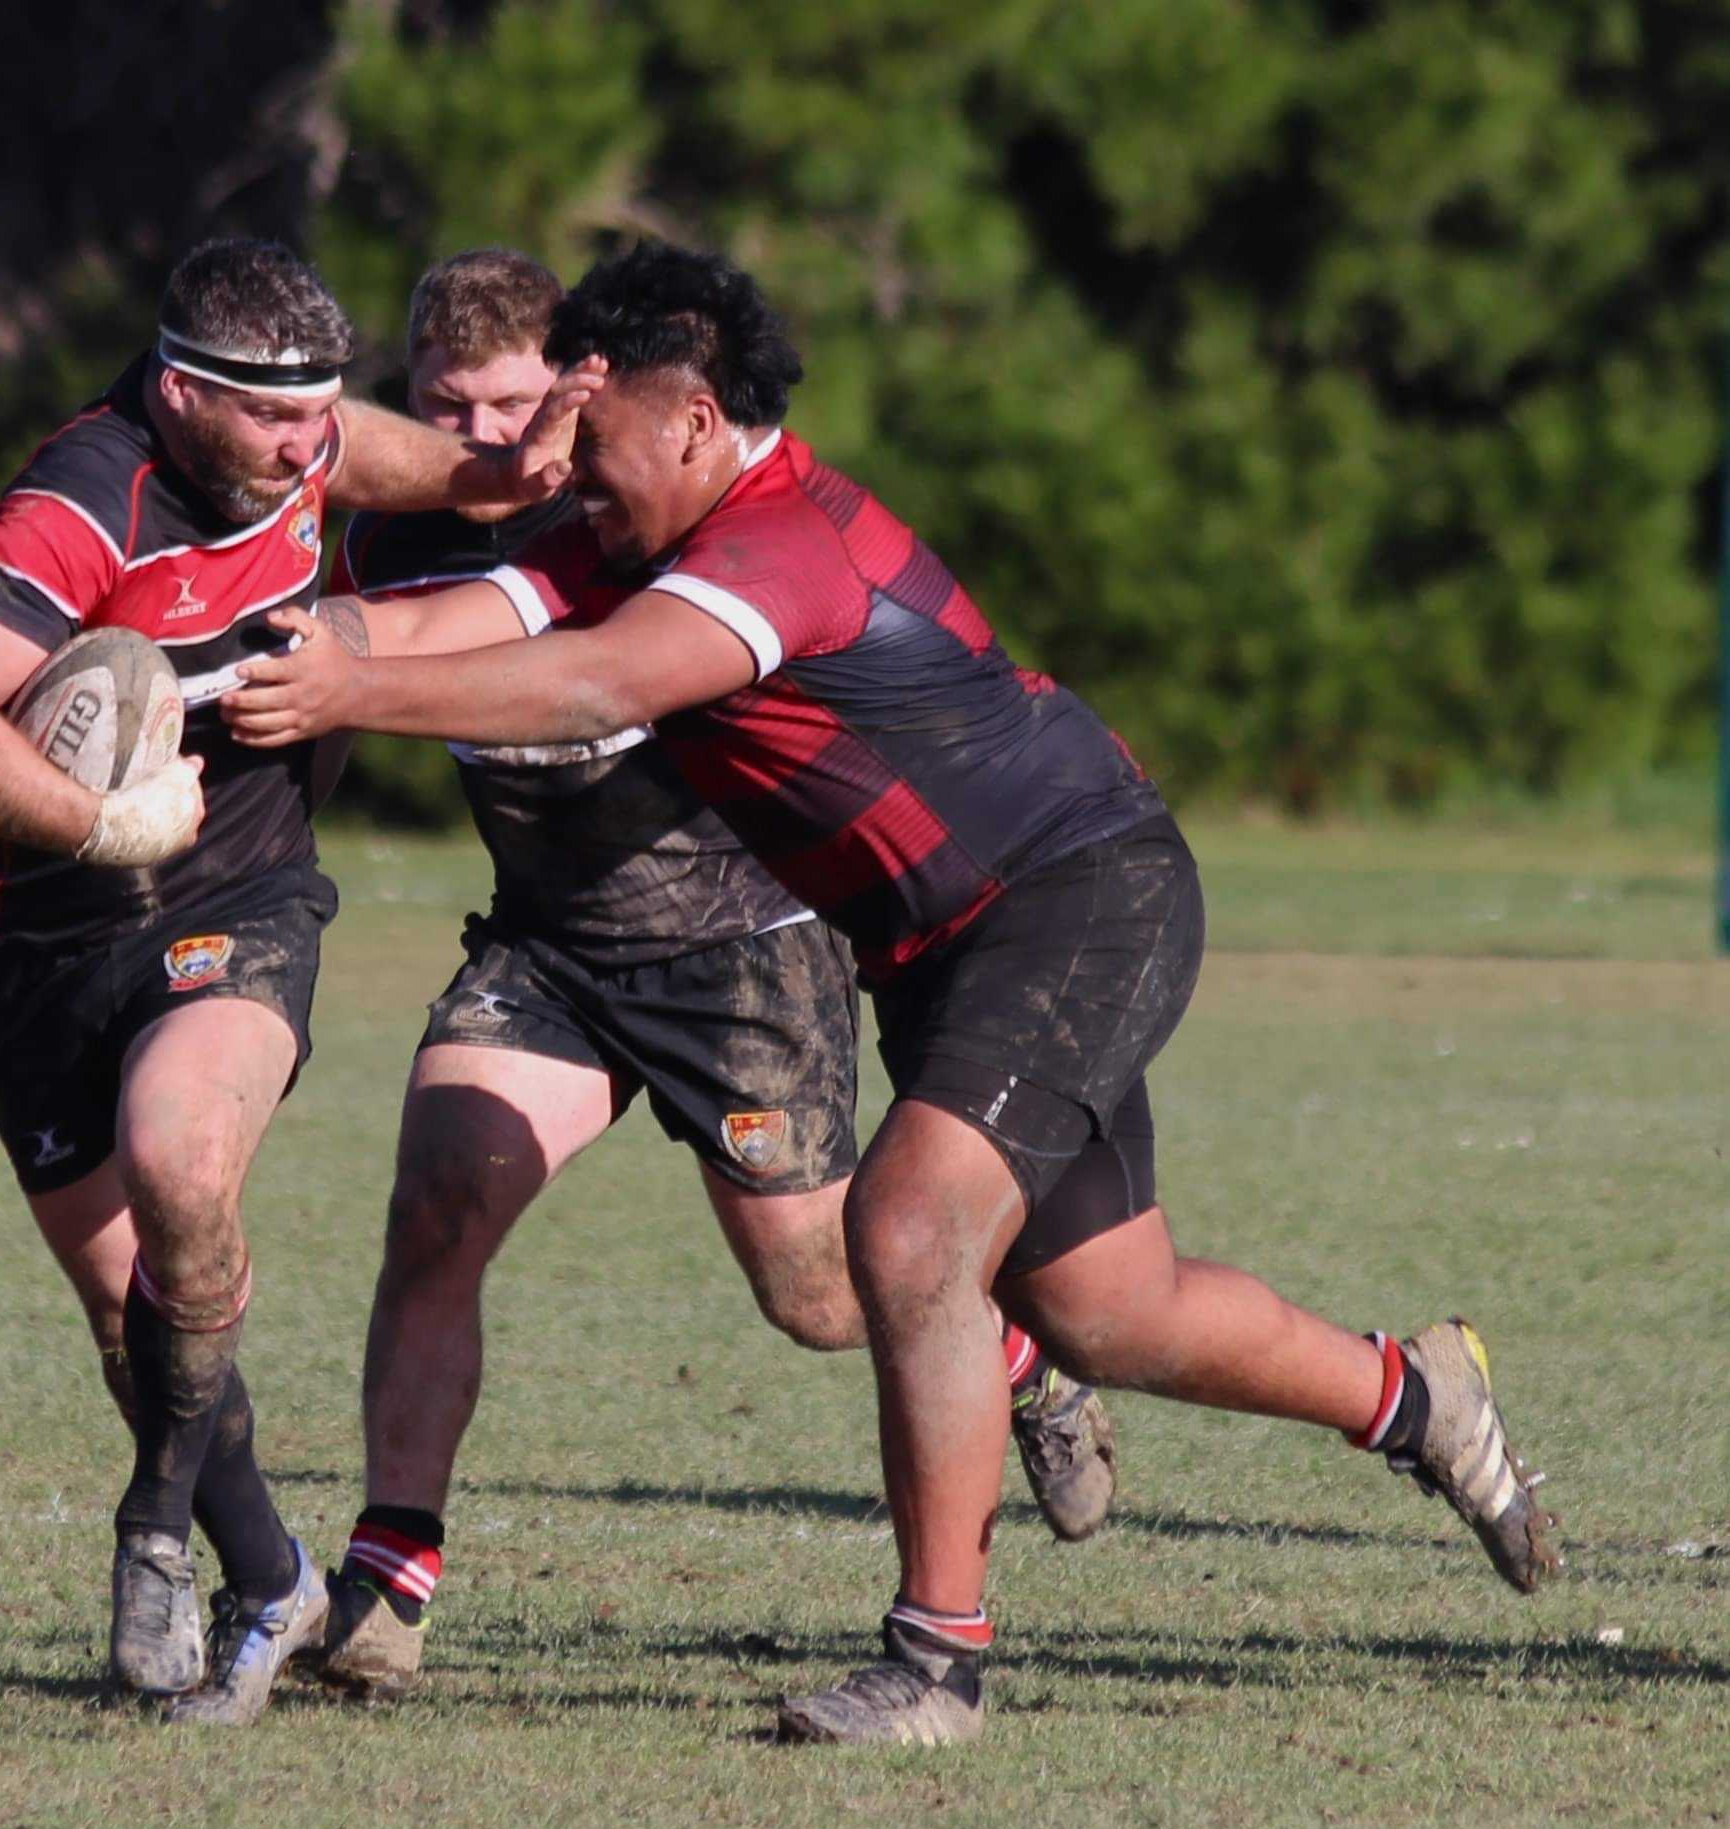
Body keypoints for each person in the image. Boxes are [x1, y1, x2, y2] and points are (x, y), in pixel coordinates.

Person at [219, 241, 1565, 1746]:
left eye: (582, 442)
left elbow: (598, 684)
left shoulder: (774, 545)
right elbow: (448, 621)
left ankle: (934, 1666)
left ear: (691, 419)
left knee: (903, 1229)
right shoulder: (626, 522)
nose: (555, 477)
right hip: (931, 949)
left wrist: (354, 691)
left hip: (1072, 894)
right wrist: (259, 655)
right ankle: (1414, 1397)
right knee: (1108, 1315)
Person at [291, 249, 1120, 1699]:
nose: (483, 439)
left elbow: (593, 676)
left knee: (815, 1292)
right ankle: (387, 1581)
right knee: (437, 1202)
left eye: (508, 404)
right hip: (548, 946)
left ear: (583, 391)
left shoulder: (638, 515)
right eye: (444, 405)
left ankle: (1014, 1359)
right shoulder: (391, 537)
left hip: (736, 936)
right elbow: (344, 670)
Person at [0, 237, 579, 1727]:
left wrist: (485, 479)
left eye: (323, 412)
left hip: (241, 897)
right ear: (183, 395)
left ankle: (147, 1529)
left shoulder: (301, 444)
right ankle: (269, 1580)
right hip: (46, 941)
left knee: (181, 1159)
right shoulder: (84, 503)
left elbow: (365, 447)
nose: (306, 446)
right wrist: (98, 820)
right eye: (272, 418)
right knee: (133, 1312)